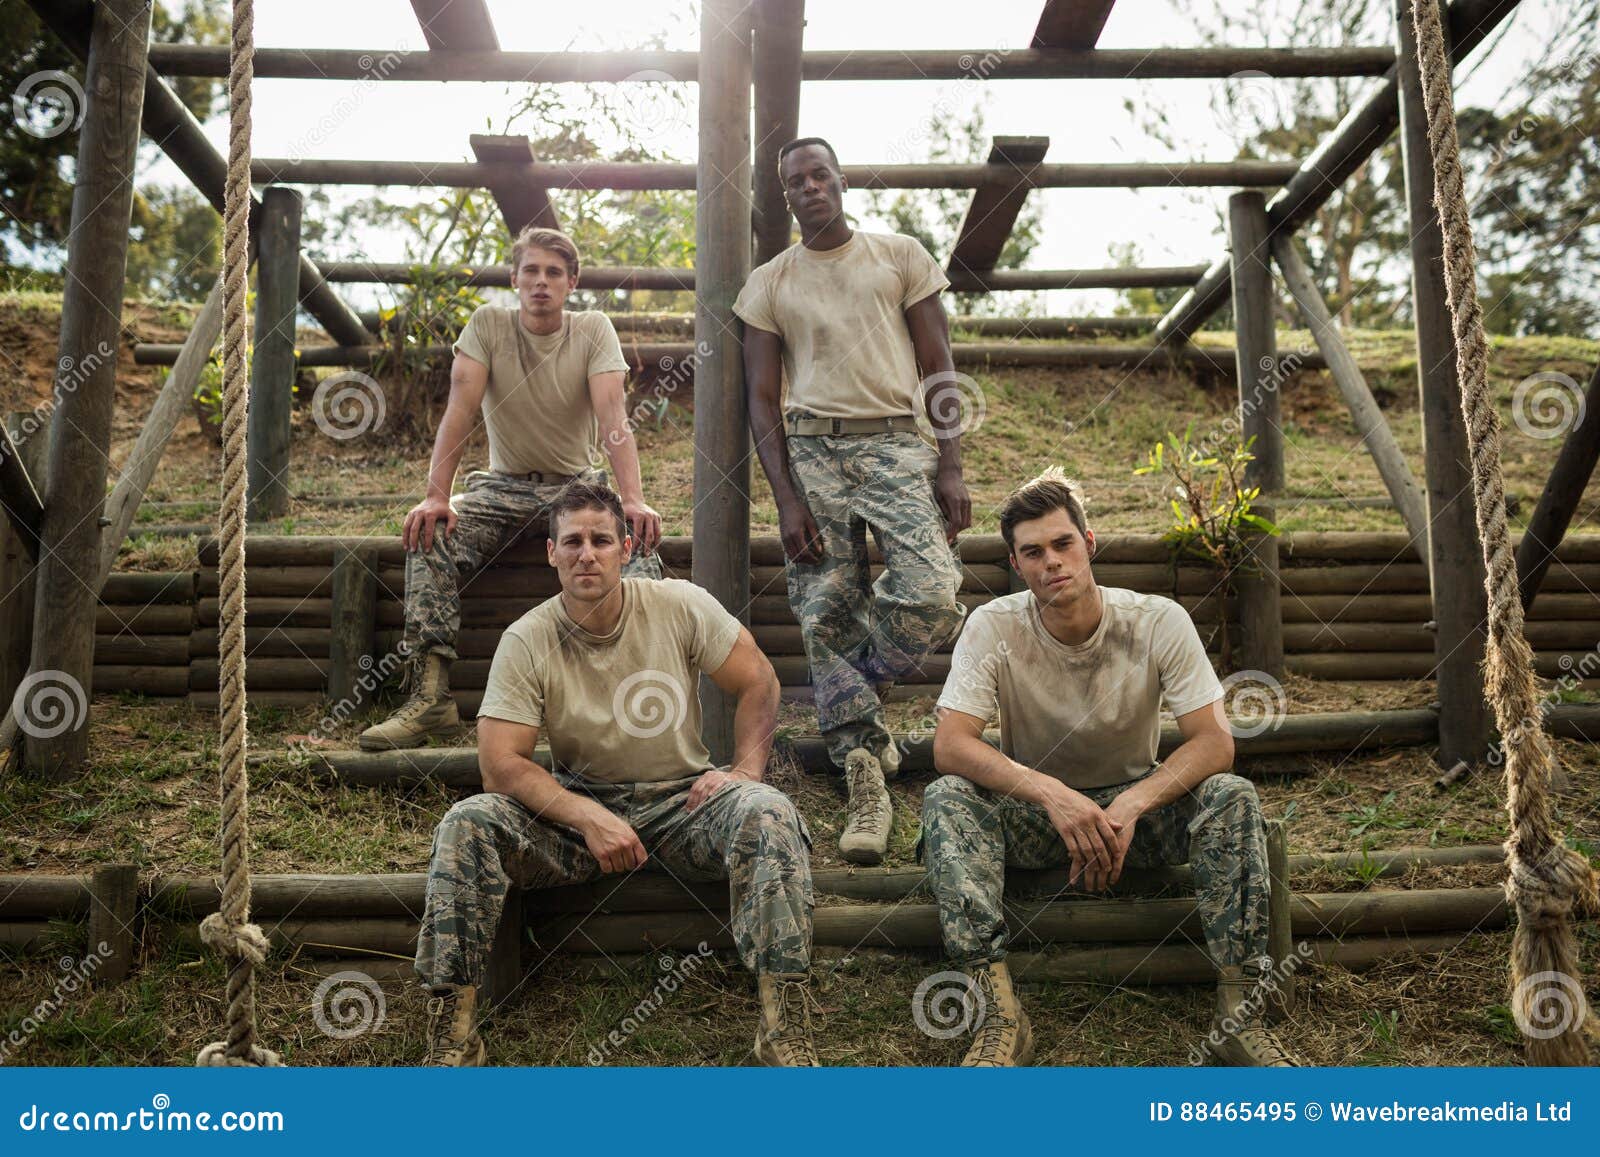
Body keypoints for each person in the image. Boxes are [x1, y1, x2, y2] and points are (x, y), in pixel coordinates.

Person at [415, 481, 818, 1067]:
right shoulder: (527, 638)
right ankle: (452, 1034)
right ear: (551, 553)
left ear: (626, 549)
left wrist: (745, 771)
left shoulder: (678, 604)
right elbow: (500, 765)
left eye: (601, 540)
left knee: (770, 812)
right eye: (572, 541)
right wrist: (586, 815)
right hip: (577, 816)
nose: (587, 554)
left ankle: (784, 1029)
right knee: (467, 823)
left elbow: (759, 680)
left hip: (683, 804)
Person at [920, 467, 1303, 1067]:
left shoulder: (1157, 620)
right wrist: (1053, 795)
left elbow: (1213, 743)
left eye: (1063, 543)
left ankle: (1239, 1014)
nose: (1052, 562)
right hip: (1039, 820)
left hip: (1139, 818)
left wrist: (1131, 804)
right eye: (1033, 552)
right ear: (1016, 565)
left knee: (1230, 793)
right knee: (947, 796)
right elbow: (951, 744)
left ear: (1089, 543)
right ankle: (998, 1016)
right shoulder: (993, 626)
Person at [736, 136, 970, 865]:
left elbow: (938, 362)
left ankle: (852, 689)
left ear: (841, 182)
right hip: (812, 450)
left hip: (897, 440)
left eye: (819, 175)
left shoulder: (899, 256)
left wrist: (951, 463)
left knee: (933, 590)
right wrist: (786, 498)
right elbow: (762, 398)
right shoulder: (769, 282)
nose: (809, 187)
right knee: (825, 607)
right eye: (795, 181)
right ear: (785, 195)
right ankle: (864, 771)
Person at [359, 226, 664, 751]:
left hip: (575, 487)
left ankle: (636, 697)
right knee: (429, 535)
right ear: (514, 279)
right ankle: (430, 700)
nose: (541, 282)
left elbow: (614, 417)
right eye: (531, 271)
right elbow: (460, 410)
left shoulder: (593, 329)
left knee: (636, 551)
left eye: (553, 272)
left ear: (571, 282)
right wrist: (436, 496)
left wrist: (632, 498)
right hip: (501, 487)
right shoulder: (488, 325)